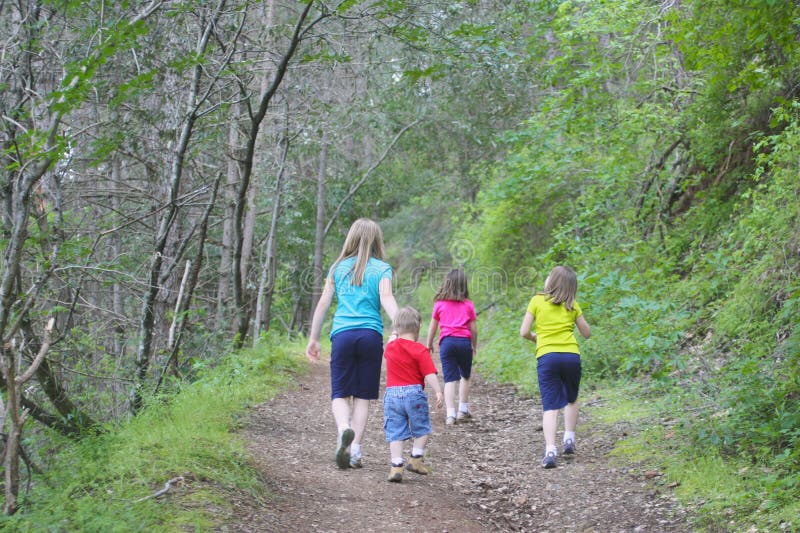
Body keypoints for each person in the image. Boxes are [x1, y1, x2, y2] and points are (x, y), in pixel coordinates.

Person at [306, 218, 398, 470]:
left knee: (339, 392)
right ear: (377, 240)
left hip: (343, 335)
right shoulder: (382, 269)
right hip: (370, 336)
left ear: (351, 239)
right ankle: (355, 450)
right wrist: (399, 326)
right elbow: (387, 298)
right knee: (362, 396)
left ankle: (343, 428)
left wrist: (314, 338)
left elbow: (324, 303)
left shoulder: (338, 267)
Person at [519, 265, 591, 469]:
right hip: (571, 356)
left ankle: (550, 449)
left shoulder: (537, 300)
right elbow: (586, 333)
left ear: (551, 282)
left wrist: (537, 339)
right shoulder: (572, 304)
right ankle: (569, 439)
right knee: (571, 398)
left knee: (550, 405)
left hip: (547, 357)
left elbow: (524, 331)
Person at [383, 307, 443, 482]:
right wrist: (438, 390)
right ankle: (416, 458)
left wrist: (393, 337)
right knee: (422, 427)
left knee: (395, 431)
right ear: (417, 328)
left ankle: (396, 467)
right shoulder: (419, 350)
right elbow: (429, 373)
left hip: (392, 396)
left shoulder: (390, 347)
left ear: (396, 328)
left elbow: (389, 346)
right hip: (414, 394)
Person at [425, 269, 477, 425]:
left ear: (447, 284)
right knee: (465, 376)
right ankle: (462, 410)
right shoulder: (468, 304)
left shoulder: (439, 304)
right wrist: (474, 345)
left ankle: (450, 414)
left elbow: (432, 326)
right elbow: (474, 329)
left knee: (449, 379)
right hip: (464, 343)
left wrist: (429, 343)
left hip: (447, 343)